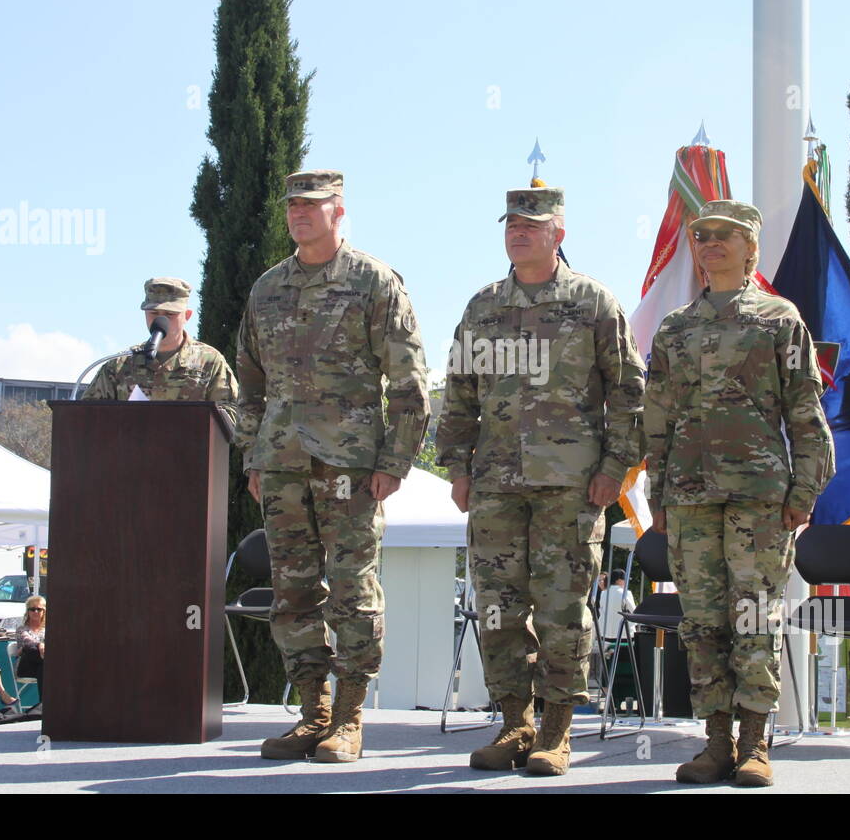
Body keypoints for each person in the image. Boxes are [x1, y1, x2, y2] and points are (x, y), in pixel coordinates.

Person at [436, 183, 646, 776]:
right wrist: (455, 466)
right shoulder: (482, 307)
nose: (519, 231)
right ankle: (514, 724)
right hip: (495, 482)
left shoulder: (593, 302)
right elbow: (458, 394)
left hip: (573, 486)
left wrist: (614, 470)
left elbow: (630, 392)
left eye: (532, 224)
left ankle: (556, 731)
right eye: (512, 223)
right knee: (498, 608)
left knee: (561, 608)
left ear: (559, 233)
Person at [236, 169, 430, 764]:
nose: (299, 213)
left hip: (350, 463)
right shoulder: (268, 288)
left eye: (312, 205)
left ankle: (349, 719)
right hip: (282, 463)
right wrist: (254, 454)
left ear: (338, 211)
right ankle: (312, 713)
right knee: (292, 594)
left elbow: (409, 381)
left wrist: (396, 459)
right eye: (292, 204)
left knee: (352, 591)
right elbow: (249, 381)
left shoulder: (373, 281)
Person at [644, 199, 834, 787]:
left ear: (752, 247)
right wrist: (658, 496)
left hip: (760, 498)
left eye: (726, 235)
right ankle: (716, 742)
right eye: (703, 236)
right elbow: (658, 419)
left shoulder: (780, 319)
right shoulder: (676, 328)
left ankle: (756, 743)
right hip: (690, 496)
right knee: (702, 622)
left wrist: (804, 490)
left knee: (753, 616)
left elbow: (806, 412)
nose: (712, 243)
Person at [82, 277, 239, 427]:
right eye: (154, 313)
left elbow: (233, 416)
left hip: (189, 451)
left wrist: (186, 420)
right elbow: (86, 414)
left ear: (187, 315)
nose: (160, 321)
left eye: (170, 314)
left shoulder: (209, 361)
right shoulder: (121, 363)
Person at [15, 595, 46, 702]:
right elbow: (27, 640)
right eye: (32, 609)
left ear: (44, 611)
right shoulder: (22, 629)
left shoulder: (48, 629)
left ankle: (43, 705)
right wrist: (40, 645)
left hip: (43, 667)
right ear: (28, 611)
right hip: (26, 667)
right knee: (28, 649)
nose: (36, 612)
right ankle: (44, 706)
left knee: (43, 666)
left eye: (39, 609)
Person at [597, 569, 637, 642]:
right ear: (618, 580)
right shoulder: (626, 593)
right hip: (624, 634)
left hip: (604, 633)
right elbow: (635, 612)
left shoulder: (603, 593)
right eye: (625, 579)